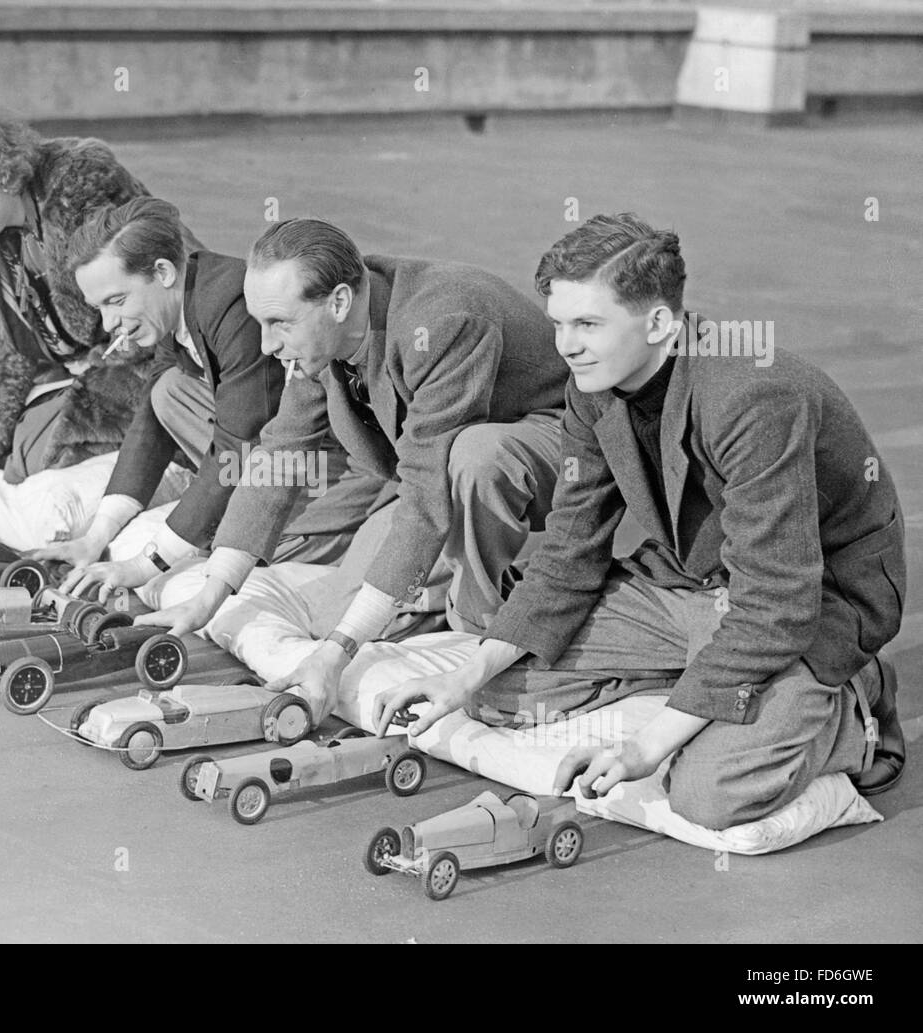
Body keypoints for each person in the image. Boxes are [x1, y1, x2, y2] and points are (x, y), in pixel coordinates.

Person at [374, 213, 907, 830]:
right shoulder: (594, 384)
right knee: (495, 696)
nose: (565, 345)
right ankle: (711, 676)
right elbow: (572, 549)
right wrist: (461, 676)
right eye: (559, 324)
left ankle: (855, 706)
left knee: (709, 794)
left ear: (659, 323)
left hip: (811, 602)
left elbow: (776, 604)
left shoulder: (754, 394)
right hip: (690, 584)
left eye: (587, 324)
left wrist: (644, 748)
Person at [139, 218, 571, 724]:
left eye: (279, 323)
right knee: (330, 618)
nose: (265, 345)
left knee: (475, 456)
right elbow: (282, 453)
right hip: (436, 467)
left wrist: (339, 653)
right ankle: (433, 591)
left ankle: (481, 633)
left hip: (549, 441)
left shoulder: (443, 320)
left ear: (339, 302)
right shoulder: (327, 331)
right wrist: (207, 596)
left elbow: (426, 492)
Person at [38, 198, 385, 597]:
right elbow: (150, 424)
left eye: (116, 301)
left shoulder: (230, 304)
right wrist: (95, 536)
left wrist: (147, 563)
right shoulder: (176, 305)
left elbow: (237, 445)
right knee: (168, 390)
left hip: (342, 458)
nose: (108, 323)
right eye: (99, 307)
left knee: (253, 546)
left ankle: (349, 525)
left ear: (163, 272)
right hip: (276, 452)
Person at [0, 103, 202, 500]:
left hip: (156, 354)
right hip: (76, 360)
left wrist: (83, 396)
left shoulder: (78, 191)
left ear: (2, 175)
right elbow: (6, 342)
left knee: (35, 453)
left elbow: (141, 317)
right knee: (8, 448)